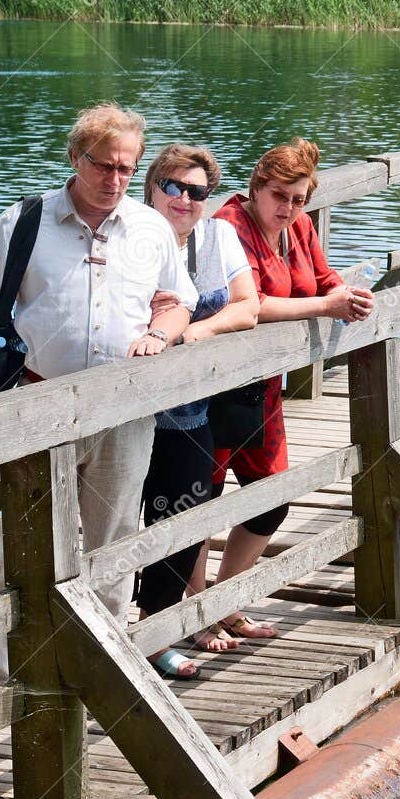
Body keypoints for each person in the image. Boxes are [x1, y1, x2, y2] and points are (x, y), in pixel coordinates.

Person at [0, 103, 197, 687]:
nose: (114, 180)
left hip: (123, 412)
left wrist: (160, 333)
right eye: (103, 166)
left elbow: (178, 300)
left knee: (112, 550)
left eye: (126, 169)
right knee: (24, 550)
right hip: (38, 408)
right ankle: (8, 679)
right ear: (75, 157)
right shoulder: (25, 223)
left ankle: (99, 677)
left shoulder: (150, 228)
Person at [195, 138, 374, 649]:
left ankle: (227, 602)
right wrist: (325, 307)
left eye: (298, 199)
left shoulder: (299, 226)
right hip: (214, 385)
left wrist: (350, 294)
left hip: (264, 387)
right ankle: (192, 615)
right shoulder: (228, 227)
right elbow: (251, 305)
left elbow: (322, 279)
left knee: (270, 500)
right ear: (255, 187)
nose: (288, 208)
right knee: (199, 502)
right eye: (279, 196)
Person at [134, 144, 261, 677]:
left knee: (184, 515)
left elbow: (248, 305)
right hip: (127, 404)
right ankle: (108, 638)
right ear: (153, 187)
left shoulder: (216, 236)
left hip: (188, 409)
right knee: (115, 526)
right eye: (173, 187)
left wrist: (197, 331)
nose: (184, 199)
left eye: (197, 192)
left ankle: (156, 631)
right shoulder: (131, 234)